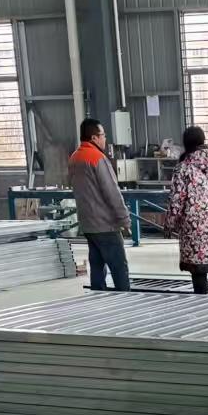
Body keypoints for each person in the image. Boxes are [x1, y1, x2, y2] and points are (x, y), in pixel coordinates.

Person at [163, 125, 208, 294]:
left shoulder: (183, 169)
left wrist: (169, 225)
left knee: (198, 270)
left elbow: (176, 201)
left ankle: (202, 305)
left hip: (195, 230)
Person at [69, 118, 132, 291]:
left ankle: (98, 299)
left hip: (88, 224)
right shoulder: (97, 158)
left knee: (97, 267)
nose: (105, 139)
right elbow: (112, 192)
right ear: (94, 138)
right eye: (103, 135)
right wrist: (125, 220)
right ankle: (127, 300)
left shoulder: (74, 157)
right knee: (119, 268)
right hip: (105, 225)